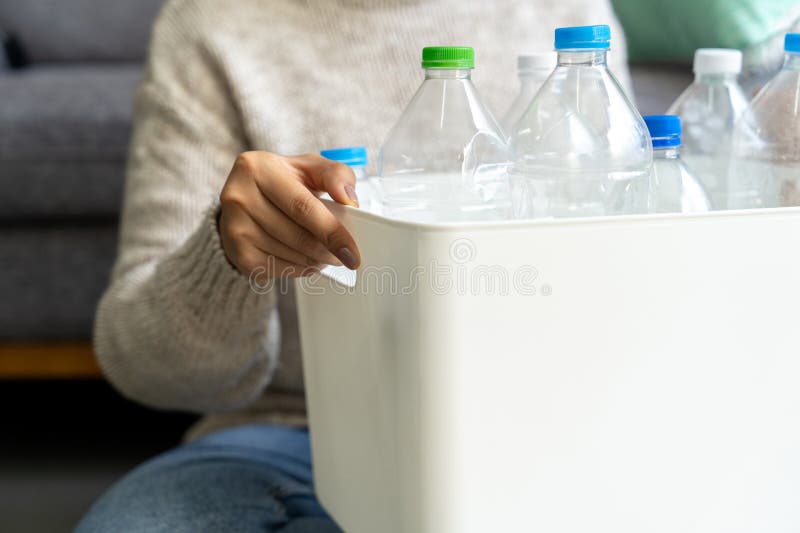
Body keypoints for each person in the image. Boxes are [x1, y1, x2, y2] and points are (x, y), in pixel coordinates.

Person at [76, 0, 631, 531]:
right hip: (291, 434)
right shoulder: (213, 23)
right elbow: (137, 361)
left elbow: (616, 261)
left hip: (533, 426)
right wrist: (228, 255)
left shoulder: (568, 13)